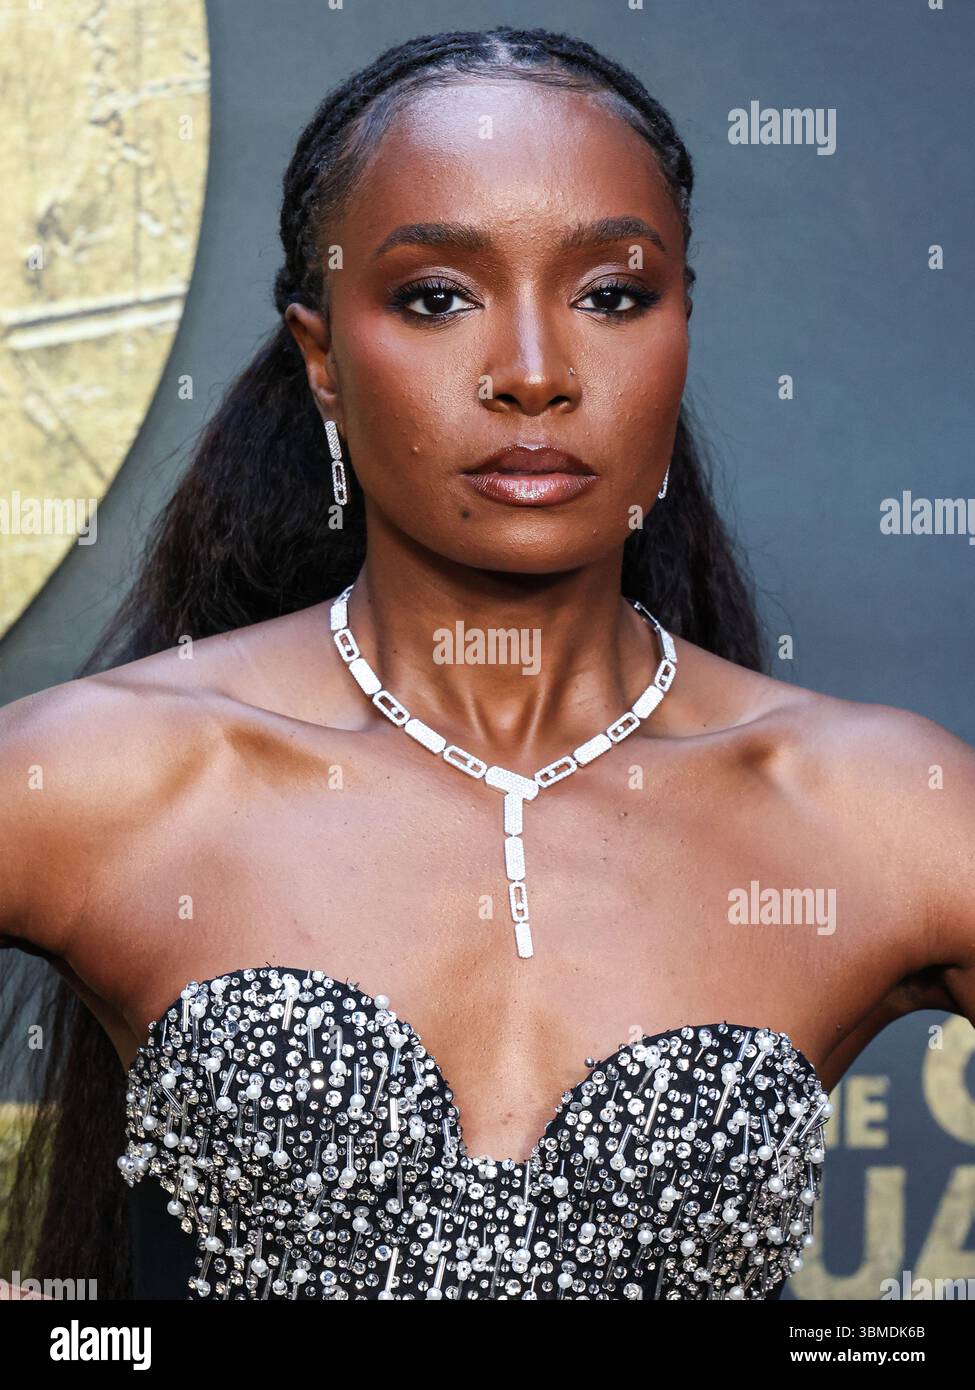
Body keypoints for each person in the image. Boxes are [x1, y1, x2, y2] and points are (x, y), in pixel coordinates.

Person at [1, 25, 972, 1302]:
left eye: (613, 296)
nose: (532, 374)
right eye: (436, 297)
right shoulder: (112, 774)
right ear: (323, 360)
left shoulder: (869, 806)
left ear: (683, 326)